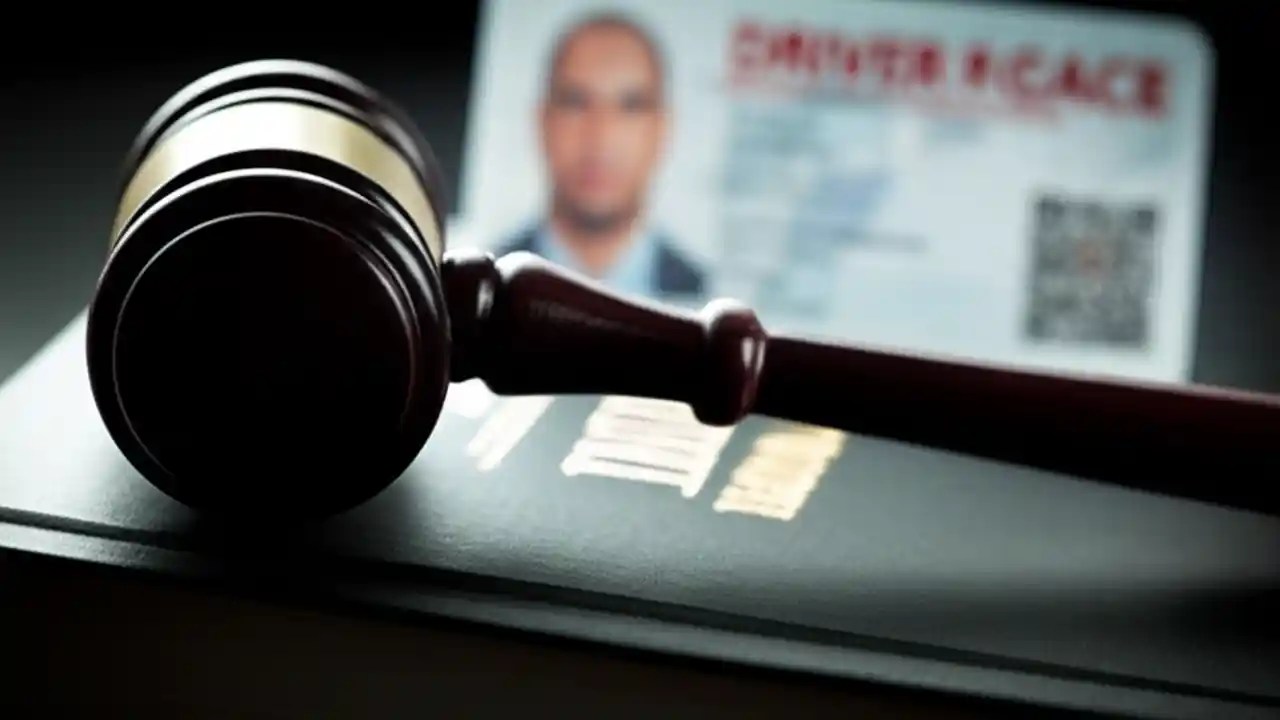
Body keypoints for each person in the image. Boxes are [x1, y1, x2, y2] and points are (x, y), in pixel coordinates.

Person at [498, 13, 705, 298]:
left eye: (630, 106)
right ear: (542, 121)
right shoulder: (480, 282)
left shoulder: (704, 289)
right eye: (576, 102)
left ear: (662, 130)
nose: (600, 137)